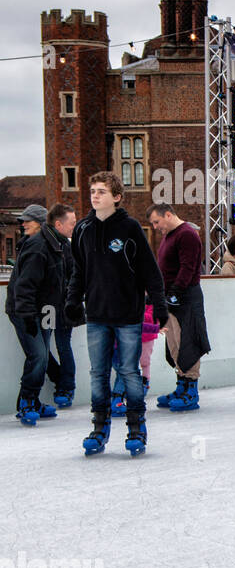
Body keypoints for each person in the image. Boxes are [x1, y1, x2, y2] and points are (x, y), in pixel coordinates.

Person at [66, 172, 168, 456]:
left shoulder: (130, 228)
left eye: (101, 191)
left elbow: (150, 271)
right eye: (93, 191)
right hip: (97, 315)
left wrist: (160, 306)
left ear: (117, 197)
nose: (95, 196)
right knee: (98, 374)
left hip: (127, 315)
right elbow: (79, 271)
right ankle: (99, 427)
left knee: (128, 372)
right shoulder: (84, 229)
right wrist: (73, 301)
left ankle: (136, 426)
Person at [148, 204, 210, 412]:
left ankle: (190, 390)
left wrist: (175, 291)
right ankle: (181, 386)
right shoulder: (170, 236)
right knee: (174, 344)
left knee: (187, 342)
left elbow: (188, 267)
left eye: (157, 222)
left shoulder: (187, 235)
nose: (156, 227)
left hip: (185, 298)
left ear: (168, 214)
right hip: (171, 299)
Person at [6, 204, 63, 425]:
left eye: (27, 220)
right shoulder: (37, 245)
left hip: (46, 310)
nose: (23, 223)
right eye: (22, 220)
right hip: (27, 311)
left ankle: (33, 401)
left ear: (40, 222)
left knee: (42, 355)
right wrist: (28, 317)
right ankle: (27, 402)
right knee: (38, 355)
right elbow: (24, 286)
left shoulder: (50, 244)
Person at [44, 203, 78, 408]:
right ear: (58, 224)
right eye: (71, 223)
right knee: (42, 347)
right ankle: (61, 380)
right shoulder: (43, 244)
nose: (74, 227)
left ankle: (66, 386)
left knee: (63, 345)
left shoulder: (68, 246)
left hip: (63, 306)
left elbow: (75, 275)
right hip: (47, 307)